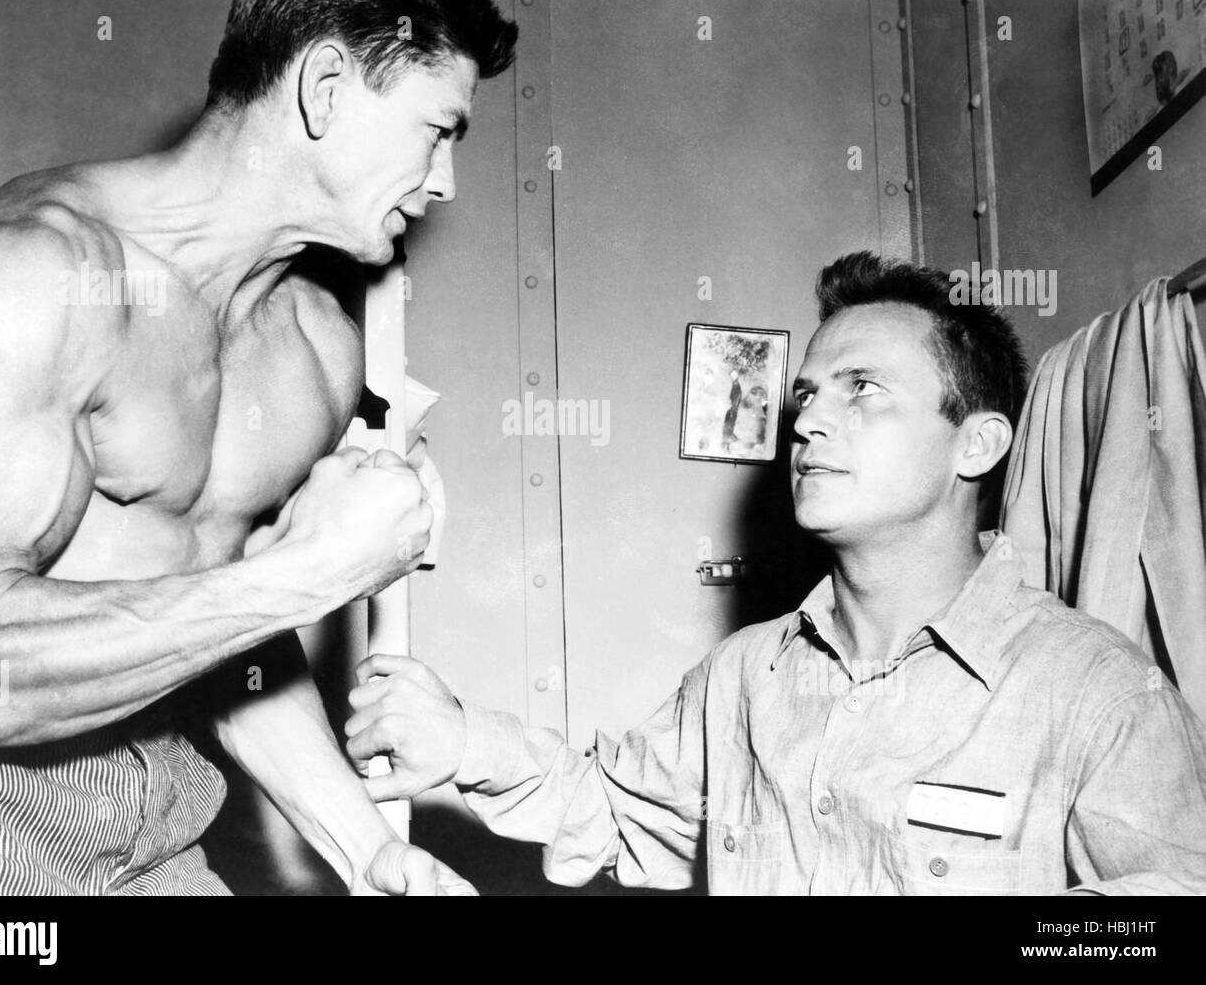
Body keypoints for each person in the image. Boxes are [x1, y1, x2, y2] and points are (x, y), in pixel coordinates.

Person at [0, 0, 516, 896]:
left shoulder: (315, 349)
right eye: (437, 130)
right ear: (324, 87)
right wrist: (305, 574)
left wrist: (367, 849)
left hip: (166, 818)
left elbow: (220, 625)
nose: (445, 183)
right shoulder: (33, 276)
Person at [345, 251, 1206, 895]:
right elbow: (615, 810)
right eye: (807, 395)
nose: (809, 422)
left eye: (863, 389)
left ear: (975, 444)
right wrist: (463, 741)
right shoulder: (742, 678)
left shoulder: (1101, 697)